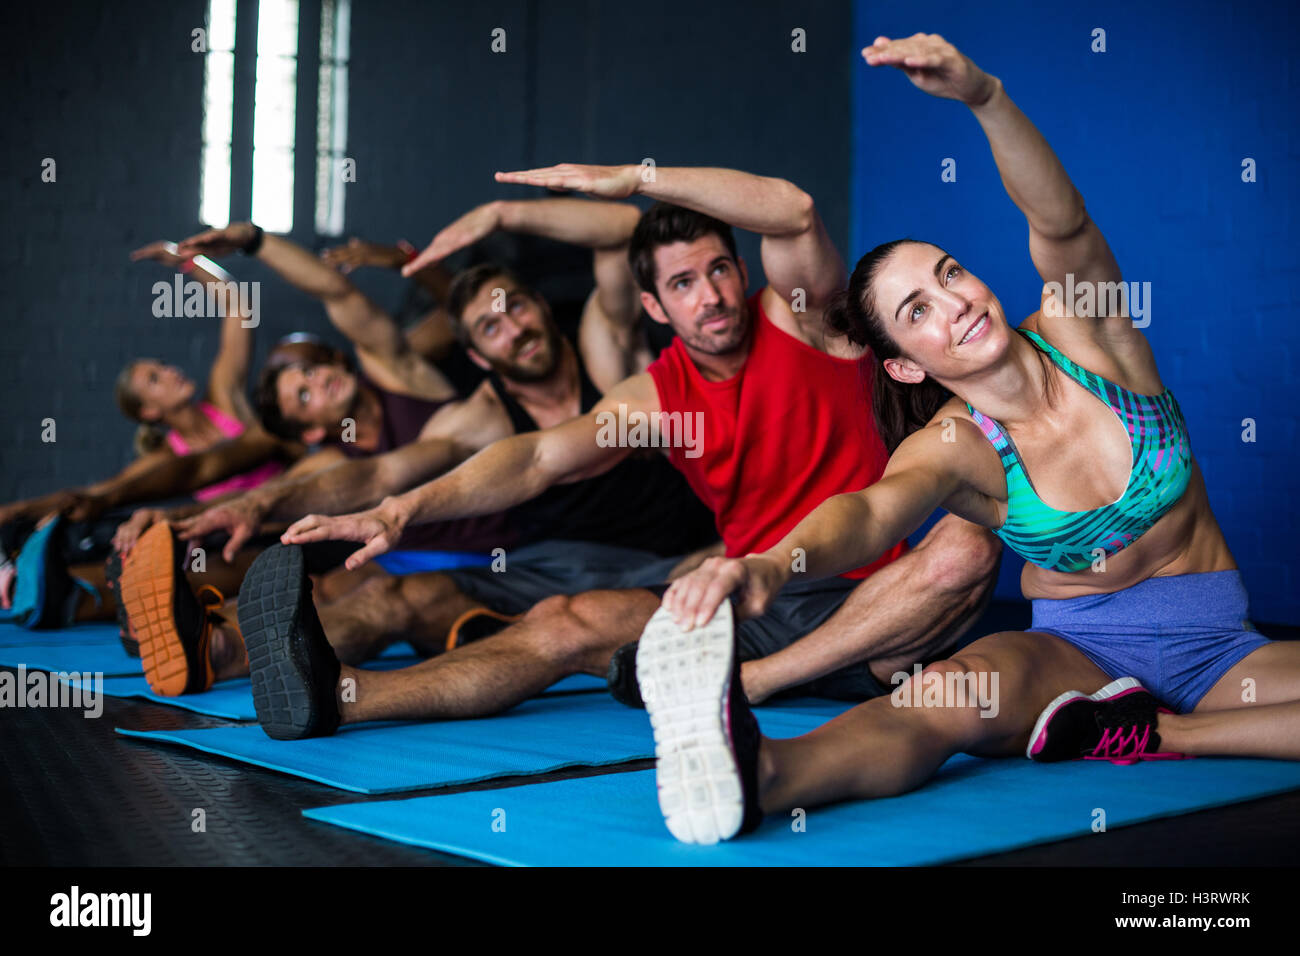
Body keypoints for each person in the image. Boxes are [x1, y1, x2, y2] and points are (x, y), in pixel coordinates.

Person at [641, 34, 1300, 846]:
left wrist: (984, 96)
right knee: (946, 697)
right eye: (917, 311)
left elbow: (1062, 221)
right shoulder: (957, 445)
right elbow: (871, 513)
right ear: (907, 368)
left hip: (1219, 650)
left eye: (949, 273)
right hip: (1078, 656)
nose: (952, 302)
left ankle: (1155, 734)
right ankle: (765, 774)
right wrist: (774, 563)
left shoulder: (1089, 333)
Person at [240, 162, 1000, 741]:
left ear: (742, 272)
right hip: (746, 597)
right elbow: (536, 459)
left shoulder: (802, 317)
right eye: (682, 284)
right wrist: (403, 509)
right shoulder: (655, 397)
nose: (708, 297)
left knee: (967, 551)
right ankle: (345, 698)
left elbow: (796, 211)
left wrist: (635, 178)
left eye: (719, 270)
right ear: (654, 307)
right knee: (568, 621)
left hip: (868, 603)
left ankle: (758, 683)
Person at [119, 198, 717, 694]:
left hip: (678, 556)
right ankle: (219, 647)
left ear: (543, 307)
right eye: (490, 328)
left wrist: (502, 216)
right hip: (554, 562)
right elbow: (381, 474)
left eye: (517, 308)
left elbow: (626, 232)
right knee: (388, 594)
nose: (514, 330)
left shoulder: (604, 353)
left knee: (356, 581)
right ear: (479, 357)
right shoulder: (480, 416)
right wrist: (250, 505)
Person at [0, 241, 300, 629]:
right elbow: (97, 496)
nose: (171, 370)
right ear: (149, 412)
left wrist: (190, 261)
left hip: (300, 500)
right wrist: (17, 512)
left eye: (162, 366)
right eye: (155, 379)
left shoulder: (225, 399)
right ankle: (57, 588)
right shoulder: (164, 460)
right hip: (260, 534)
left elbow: (238, 307)